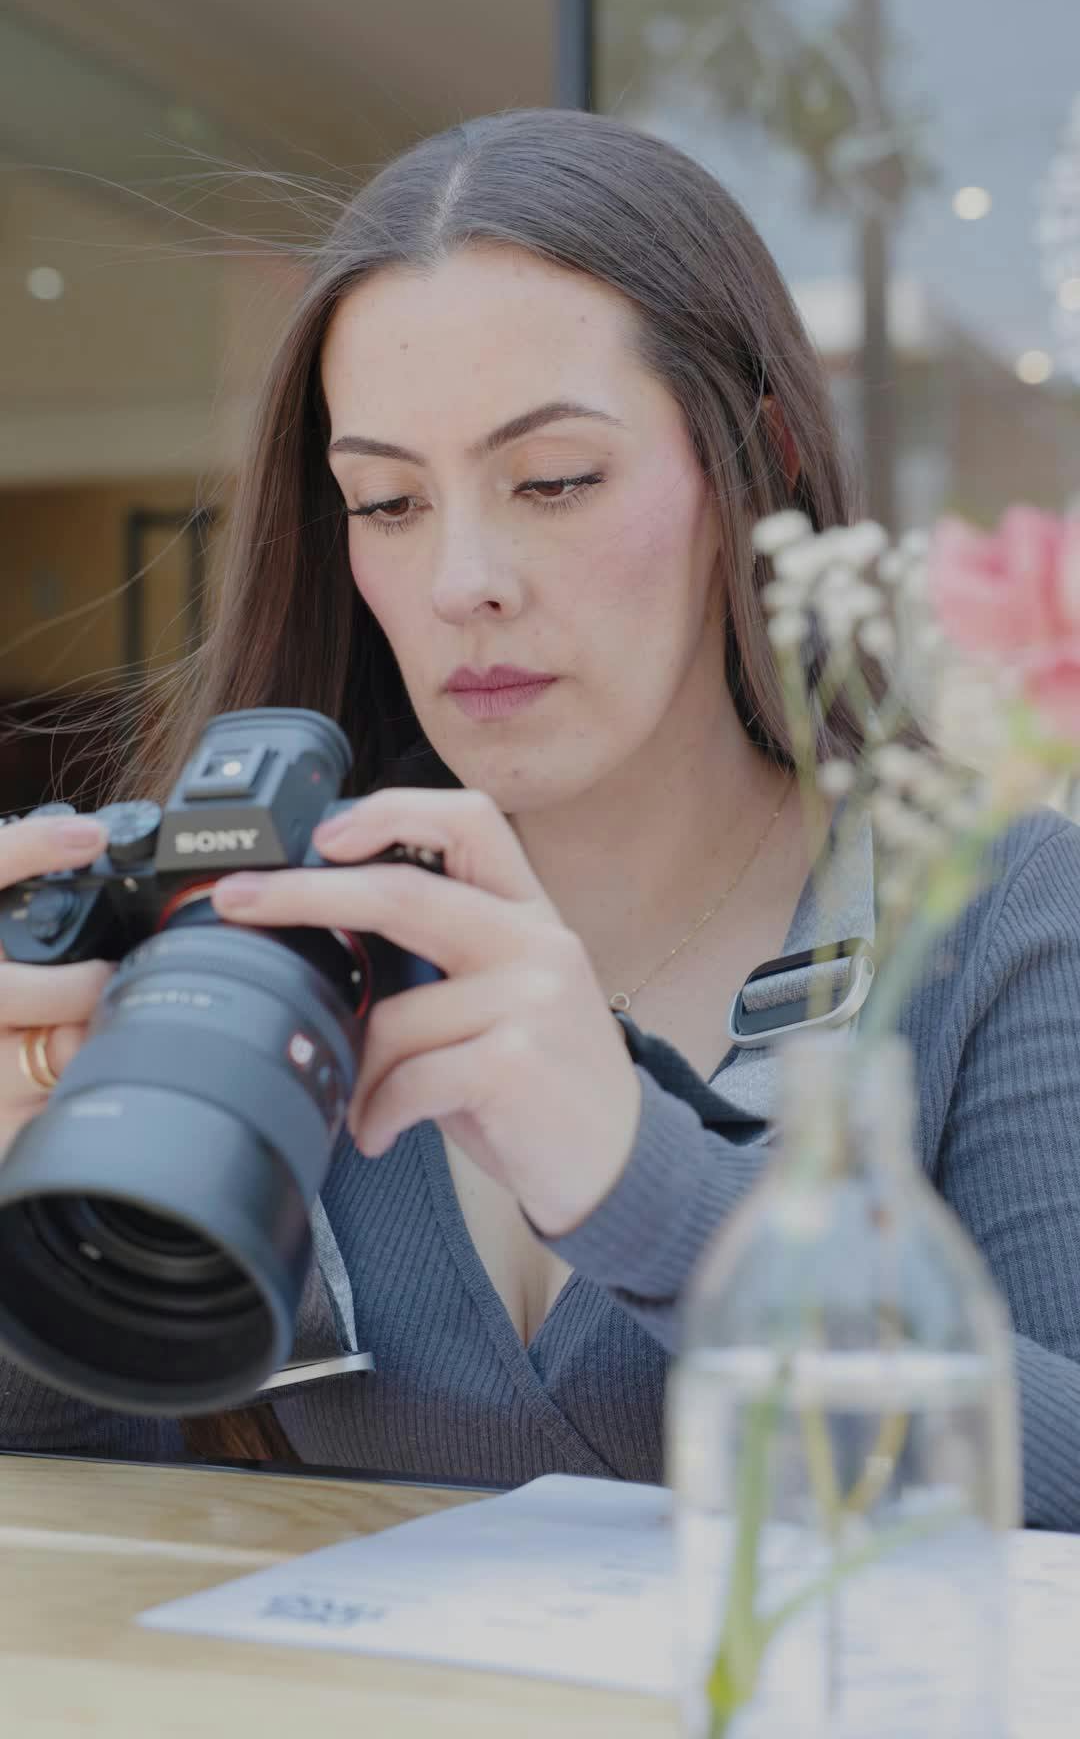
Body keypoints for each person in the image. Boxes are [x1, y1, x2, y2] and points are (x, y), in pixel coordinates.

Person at [1, 110, 1079, 1528]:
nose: (464, 579)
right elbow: (111, 1535)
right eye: (385, 502)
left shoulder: (989, 919)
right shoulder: (260, 928)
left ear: (754, 468)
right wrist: (39, 1216)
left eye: (555, 481)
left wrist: (643, 1180)